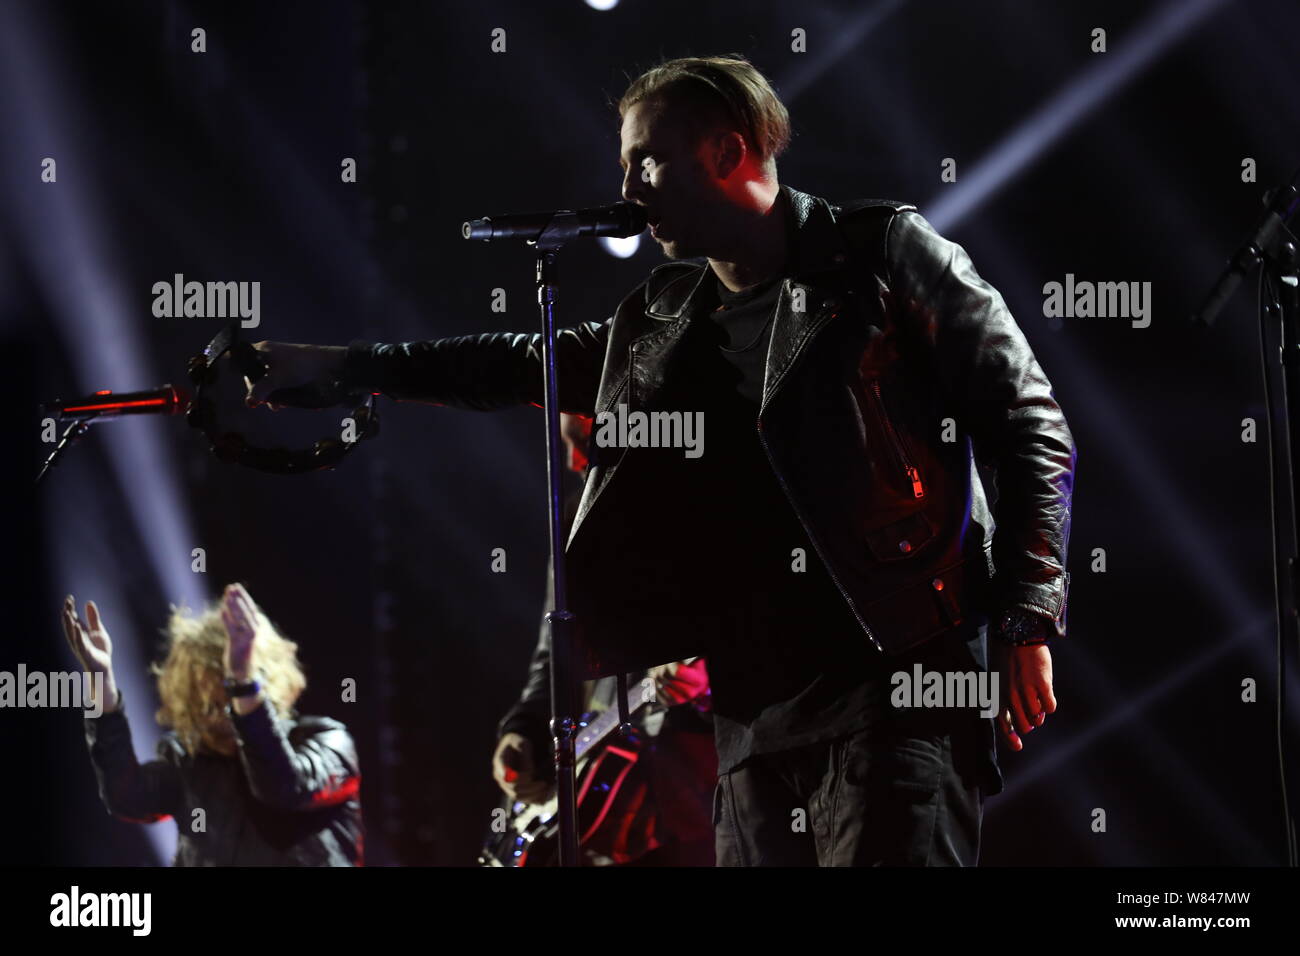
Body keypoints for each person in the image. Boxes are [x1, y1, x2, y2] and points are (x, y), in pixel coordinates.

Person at [242, 54, 1075, 866]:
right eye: (626, 163)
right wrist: (341, 369)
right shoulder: (662, 320)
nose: (629, 188)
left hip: (897, 688)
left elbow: (1030, 422)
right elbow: (503, 361)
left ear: (727, 150)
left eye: (648, 158)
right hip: (751, 721)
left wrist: (1027, 615)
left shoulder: (880, 252)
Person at [491, 413, 717, 866]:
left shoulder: (702, 499)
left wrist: (706, 682)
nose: (575, 462)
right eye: (568, 448)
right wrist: (521, 729)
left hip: (692, 801)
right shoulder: (575, 528)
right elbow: (553, 657)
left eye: (585, 442)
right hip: (600, 810)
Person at [62, 583, 363, 866]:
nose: (218, 716)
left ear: (267, 681)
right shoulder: (188, 762)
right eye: (205, 704)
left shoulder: (327, 741)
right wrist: (101, 680)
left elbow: (284, 787)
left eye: (226, 698)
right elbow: (126, 797)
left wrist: (243, 684)